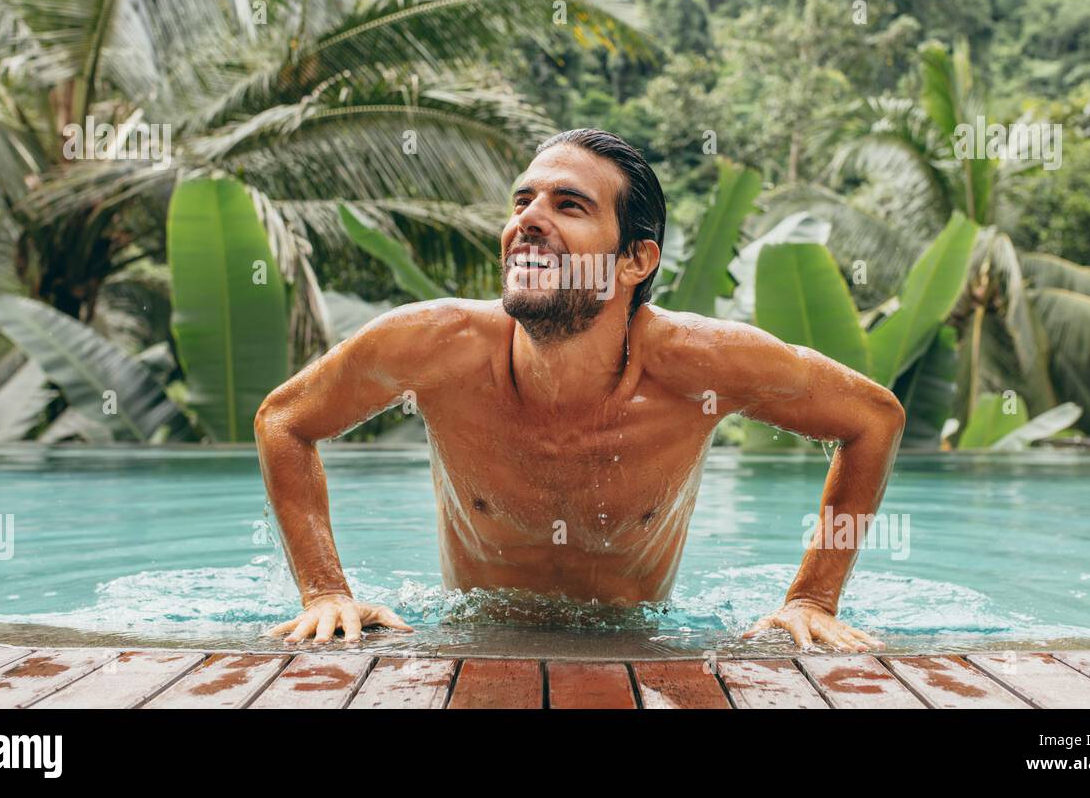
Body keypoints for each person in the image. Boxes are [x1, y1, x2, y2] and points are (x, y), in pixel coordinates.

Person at [254, 129, 903, 651]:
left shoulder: (703, 365)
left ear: (634, 260)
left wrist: (813, 599)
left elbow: (873, 419)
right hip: (473, 642)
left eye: (569, 206)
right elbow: (285, 419)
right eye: (522, 202)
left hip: (642, 649)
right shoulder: (434, 347)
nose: (529, 221)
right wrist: (325, 592)